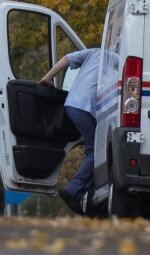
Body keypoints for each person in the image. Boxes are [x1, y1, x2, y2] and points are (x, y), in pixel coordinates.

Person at [39, 47, 103, 216]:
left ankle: (88, 197)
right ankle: (73, 191)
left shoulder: (94, 52)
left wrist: (47, 77)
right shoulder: (117, 59)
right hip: (85, 108)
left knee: (92, 150)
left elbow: (66, 58)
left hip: (72, 103)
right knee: (96, 151)